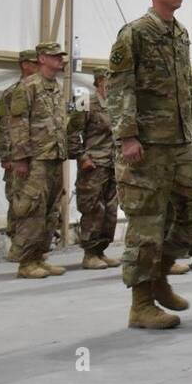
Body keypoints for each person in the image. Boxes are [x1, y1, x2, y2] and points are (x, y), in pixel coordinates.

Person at [108, 0, 192, 328]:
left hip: (181, 141)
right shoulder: (135, 33)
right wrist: (128, 136)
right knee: (147, 222)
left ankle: (162, 271)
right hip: (147, 144)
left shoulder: (180, 33)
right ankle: (141, 304)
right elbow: (120, 87)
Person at [5, 41, 70, 278]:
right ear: (41, 58)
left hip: (54, 156)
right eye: (55, 56)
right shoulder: (27, 87)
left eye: (60, 56)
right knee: (31, 207)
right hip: (36, 159)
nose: (60, 60)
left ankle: (40, 255)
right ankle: (26, 262)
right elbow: (18, 123)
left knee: (51, 209)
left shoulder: (57, 86)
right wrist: (20, 158)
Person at [0, 48, 40, 261]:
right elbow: (2, 127)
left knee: (34, 202)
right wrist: (6, 157)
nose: (38, 66)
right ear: (24, 65)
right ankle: (17, 245)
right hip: (16, 157)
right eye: (33, 63)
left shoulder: (40, 90)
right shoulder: (13, 92)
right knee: (18, 200)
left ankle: (31, 247)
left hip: (36, 157)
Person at [75, 68, 119, 268]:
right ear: (100, 81)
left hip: (113, 164)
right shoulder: (85, 101)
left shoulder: (118, 105)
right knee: (93, 208)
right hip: (93, 165)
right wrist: (83, 157)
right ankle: (89, 253)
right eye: (109, 80)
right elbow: (71, 133)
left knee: (110, 210)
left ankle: (101, 250)